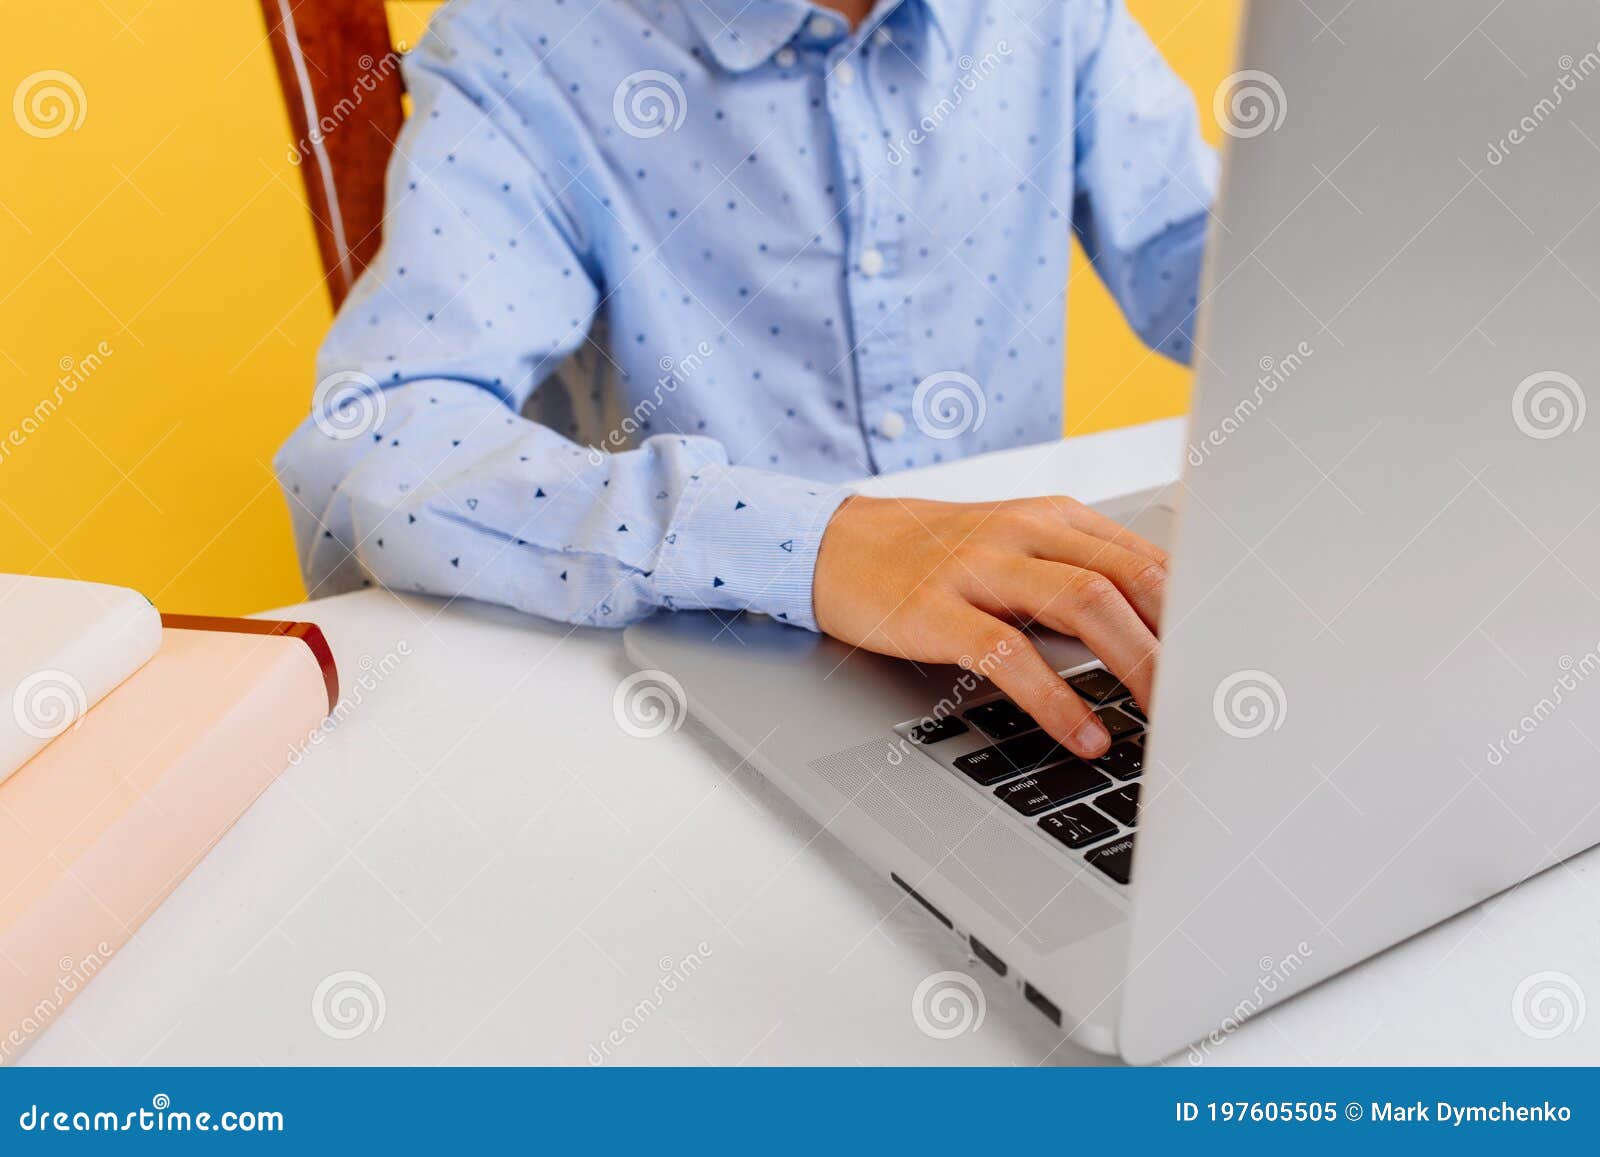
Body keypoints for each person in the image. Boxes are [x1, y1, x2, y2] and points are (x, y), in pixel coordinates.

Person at [275, 0, 1216, 759]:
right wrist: (811, 544)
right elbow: (371, 442)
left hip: (1046, 641)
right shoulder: (528, 43)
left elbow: (1200, 263)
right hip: (703, 690)